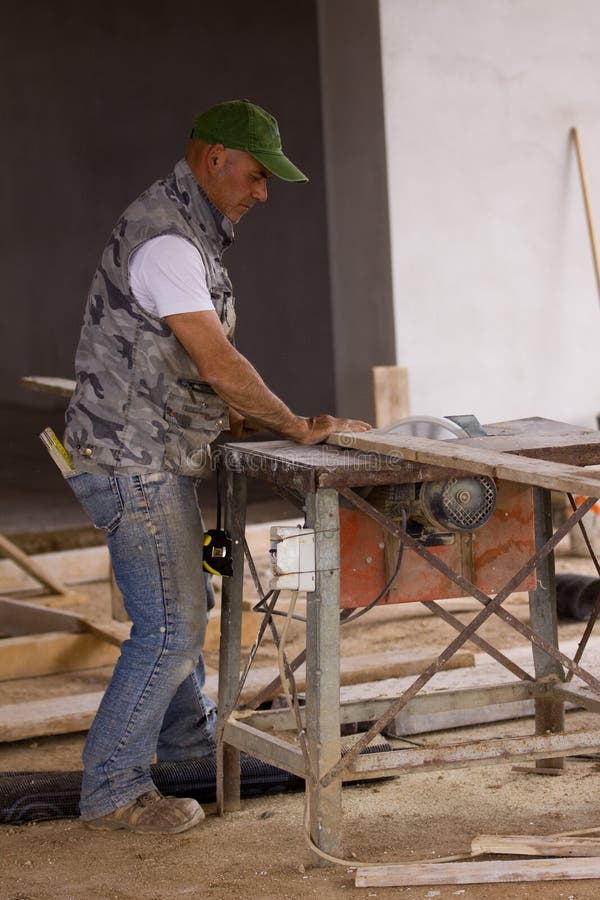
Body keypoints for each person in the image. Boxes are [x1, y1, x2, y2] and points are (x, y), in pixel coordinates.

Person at [63, 99, 371, 834]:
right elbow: (218, 360)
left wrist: (230, 416)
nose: (263, 194)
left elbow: (176, 363)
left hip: (146, 452)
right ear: (214, 160)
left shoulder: (187, 235)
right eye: (258, 176)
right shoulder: (169, 242)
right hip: (132, 460)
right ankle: (112, 786)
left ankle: (184, 740)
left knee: (183, 598)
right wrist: (295, 426)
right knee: (170, 624)